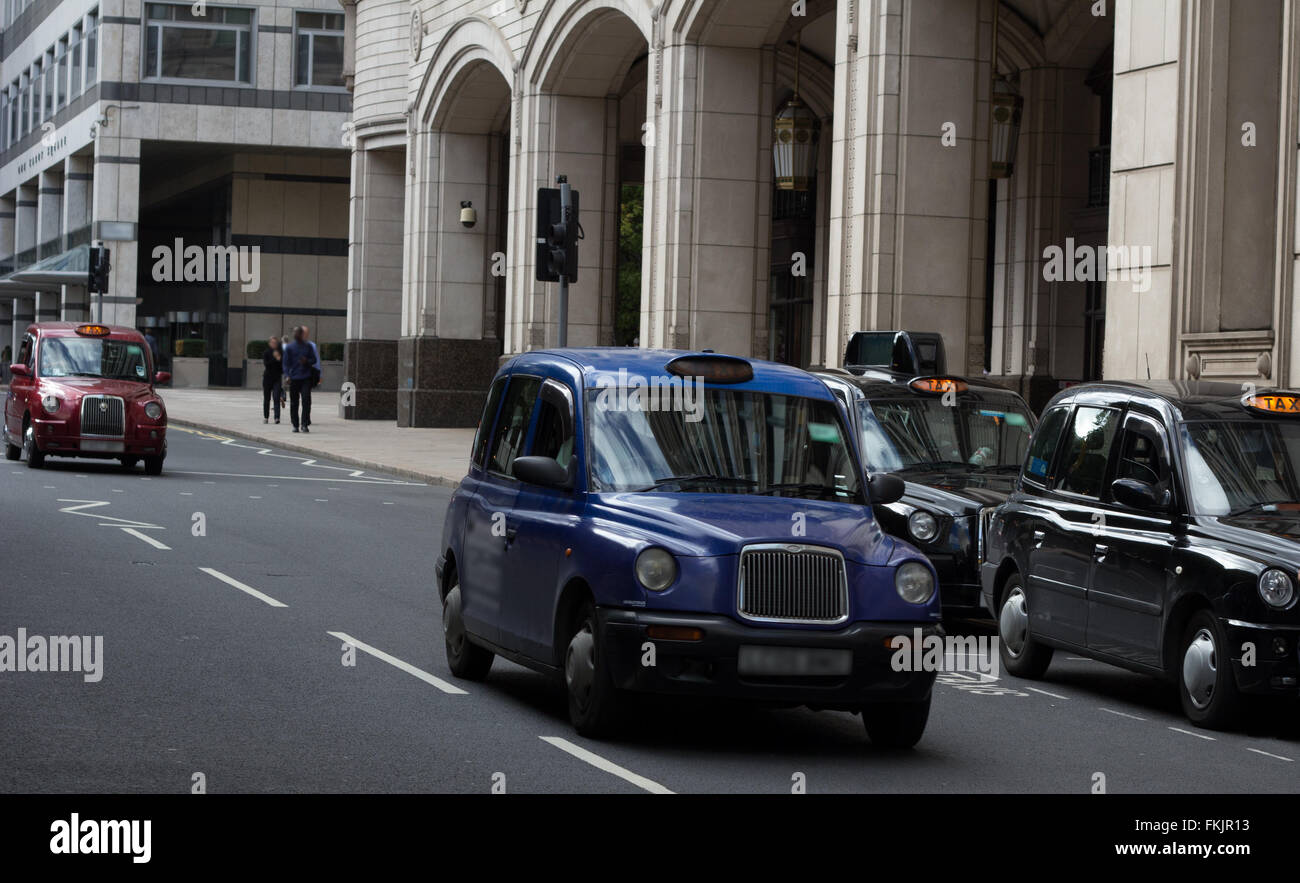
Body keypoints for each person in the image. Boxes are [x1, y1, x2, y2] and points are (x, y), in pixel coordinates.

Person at [281, 326, 321, 433]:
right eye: (295, 333)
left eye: (298, 333)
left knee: (306, 400)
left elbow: (314, 359)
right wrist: (287, 375)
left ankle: (304, 424)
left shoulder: (308, 346)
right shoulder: (290, 347)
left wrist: (306, 361)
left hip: (305, 377)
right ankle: (295, 424)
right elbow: (285, 364)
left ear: (301, 334)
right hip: (294, 378)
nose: (297, 334)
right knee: (294, 402)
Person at [261, 336, 283, 424]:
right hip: (267, 378)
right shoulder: (266, 352)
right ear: (269, 343)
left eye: (275, 343)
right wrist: (275, 359)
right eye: (272, 342)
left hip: (277, 378)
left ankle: (277, 417)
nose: (274, 344)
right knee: (267, 398)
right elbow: (266, 364)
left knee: (276, 397)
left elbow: (283, 365)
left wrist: (279, 359)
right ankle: (266, 417)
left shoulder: (280, 353)